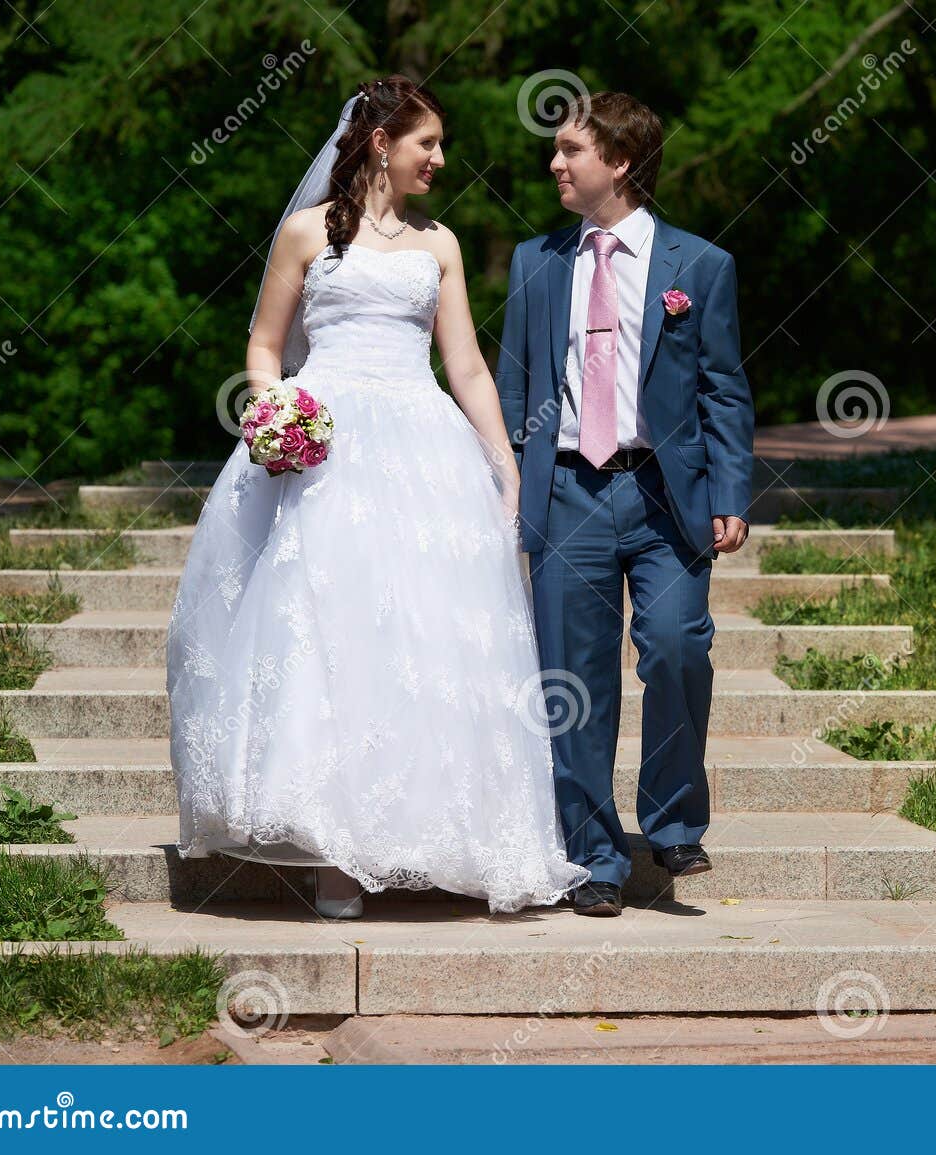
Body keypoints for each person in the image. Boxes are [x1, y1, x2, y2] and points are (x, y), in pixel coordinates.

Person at [166, 76, 590, 919]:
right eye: (426, 143)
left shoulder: (441, 245)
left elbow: (464, 363)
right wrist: (276, 407)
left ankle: (428, 833)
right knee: (331, 631)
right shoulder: (301, 234)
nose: (439, 159)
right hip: (323, 445)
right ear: (377, 144)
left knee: (425, 636)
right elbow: (263, 344)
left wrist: (500, 457)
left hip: (421, 443)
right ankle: (336, 849)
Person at [497, 91, 755, 917]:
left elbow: (723, 388)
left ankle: (675, 821)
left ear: (620, 163)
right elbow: (515, 386)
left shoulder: (700, 266)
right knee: (574, 676)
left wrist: (730, 490)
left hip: (663, 494)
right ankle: (594, 855)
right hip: (567, 486)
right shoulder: (536, 261)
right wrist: (503, 482)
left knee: (679, 647)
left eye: (571, 149)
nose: (556, 163)